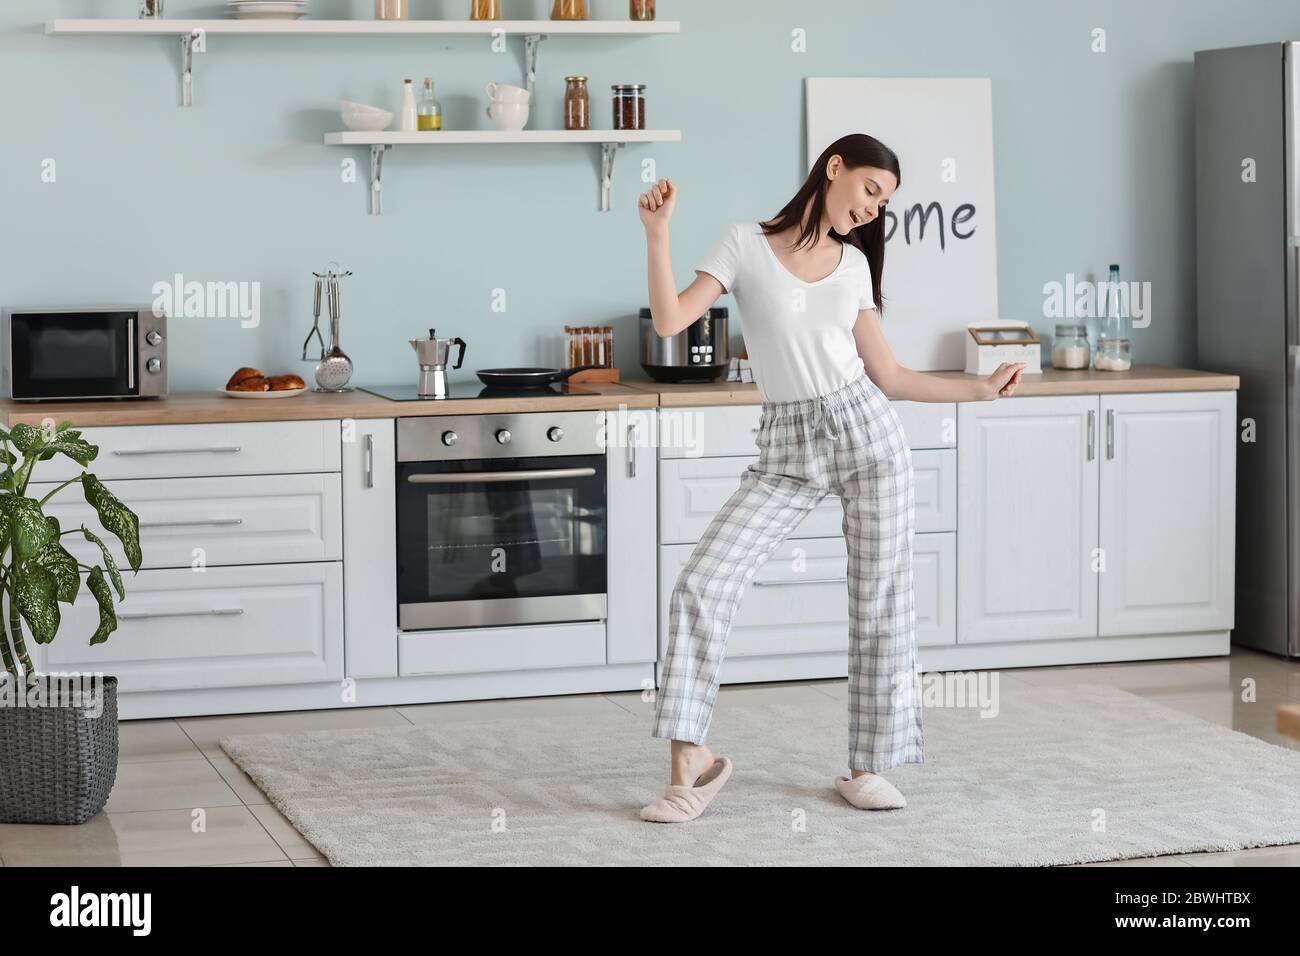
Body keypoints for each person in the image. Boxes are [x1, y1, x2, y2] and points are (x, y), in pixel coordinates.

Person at [637, 133, 1024, 823]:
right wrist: (658, 234)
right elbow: (671, 318)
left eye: (886, 204)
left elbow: (892, 377)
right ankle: (688, 762)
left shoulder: (851, 268)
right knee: (702, 582)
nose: (875, 210)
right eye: (872, 190)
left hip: (867, 436)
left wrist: (983, 390)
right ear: (834, 168)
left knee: (880, 601)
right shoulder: (744, 243)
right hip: (786, 446)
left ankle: (867, 766)